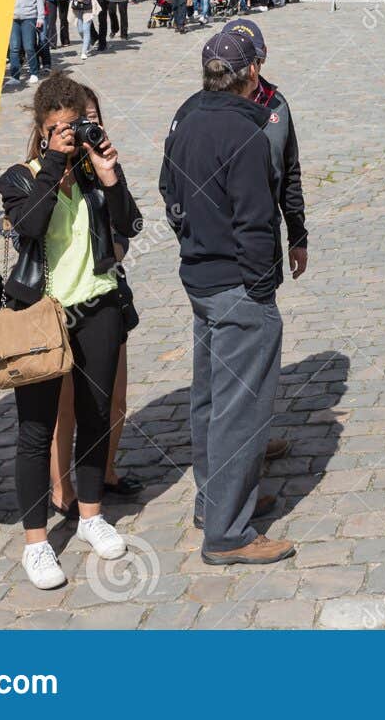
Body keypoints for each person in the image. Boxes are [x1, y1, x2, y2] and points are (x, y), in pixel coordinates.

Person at [0, 75, 142, 589]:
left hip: (98, 305)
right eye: (55, 128)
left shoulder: (90, 171)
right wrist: (55, 163)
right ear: (40, 130)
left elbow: (130, 224)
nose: (65, 135)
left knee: (96, 416)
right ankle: (36, 543)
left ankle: (90, 515)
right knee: (35, 431)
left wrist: (109, 174)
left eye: (72, 127)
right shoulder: (19, 177)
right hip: (42, 314)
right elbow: (30, 225)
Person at [159, 31, 295, 566]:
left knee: (211, 400)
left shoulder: (185, 120)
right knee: (240, 410)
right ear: (251, 75)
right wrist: (262, 290)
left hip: (200, 276)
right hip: (238, 285)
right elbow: (257, 223)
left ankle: (216, 500)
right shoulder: (247, 132)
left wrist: (194, 245)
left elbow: (169, 194)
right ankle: (229, 533)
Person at [9, 0, 47, 86]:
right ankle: (14, 76)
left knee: (29, 47)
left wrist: (40, 17)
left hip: (29, 18)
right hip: (13, 19)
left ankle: (34, 72)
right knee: (14, 48)